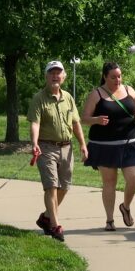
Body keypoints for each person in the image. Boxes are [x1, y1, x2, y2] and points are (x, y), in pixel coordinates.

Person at [82, 62, 135, 231]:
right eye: (113, 77)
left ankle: (125, 206)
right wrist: (96, 120)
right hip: (105, 145)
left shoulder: (129, 90)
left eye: (119, 76)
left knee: (134, 178)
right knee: (109, 182)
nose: (117, 80)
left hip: (130, 143)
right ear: (105, 77)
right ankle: (109, 220)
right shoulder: (96, 94)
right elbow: (85, 118)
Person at [28, 60, 88, 242]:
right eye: (51, 73)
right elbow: (35, 123)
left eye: (58, 73)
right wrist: (34, 143)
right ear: (46, 76)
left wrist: (83, 145)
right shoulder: (39, 98)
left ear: (63, 76)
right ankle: (55, 226)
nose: (55, 76)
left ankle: (46, 217)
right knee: (51, 187)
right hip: (46, 148)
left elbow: (76, 123)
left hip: (66, 147)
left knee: (65, 186)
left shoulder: (68, 97)